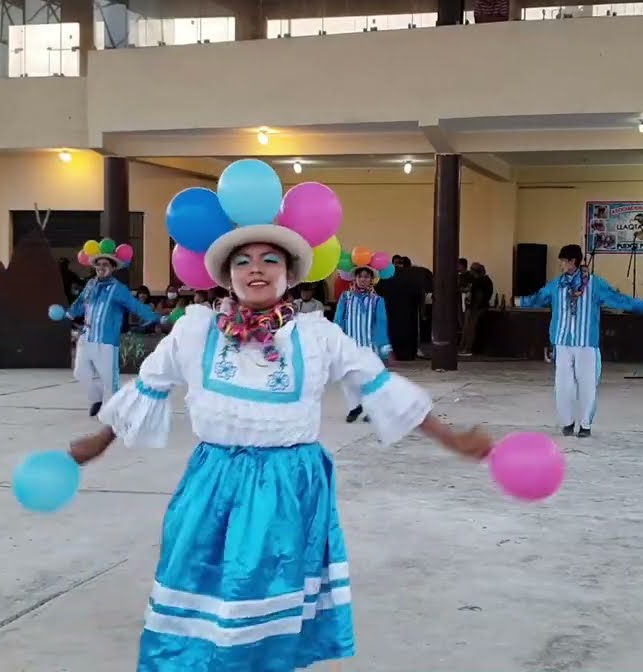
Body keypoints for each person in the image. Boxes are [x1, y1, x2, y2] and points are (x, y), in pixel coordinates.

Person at [66, 204, 492, 672]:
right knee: (197, 588)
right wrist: (100, 440)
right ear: (227, 276)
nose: (256, 269)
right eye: (243, 261)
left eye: (271, 260)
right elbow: (149, 385)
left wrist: (450, 438)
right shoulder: (194, 329)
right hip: (213, 481)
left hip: (289, 484)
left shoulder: (318, 336)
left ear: (289, 274)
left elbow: (378, 385)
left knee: (267, 595)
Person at [515, 244, 643, 438]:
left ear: (572, 262)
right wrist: (521, 302)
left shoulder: (594, 284)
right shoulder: (557, 284)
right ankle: (566, 422)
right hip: (562, 342)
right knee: (563, 385)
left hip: (586, 344)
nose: (561, 265)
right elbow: (540, 298)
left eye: (563, 261)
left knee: (587, 385)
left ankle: (585, 425)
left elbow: (620, 300)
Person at [64, 242, 158, 417]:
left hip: (107, 342)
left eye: (105, 265)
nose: (101, 268)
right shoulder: (91, 284)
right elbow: (81, 302)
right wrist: (69, 314)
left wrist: (153, 317)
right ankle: (97, 398)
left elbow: (135, 305)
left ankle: (117, 410)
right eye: (98, 264)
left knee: (109, 380)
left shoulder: (118, 289)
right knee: (80, 373)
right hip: (86, 338)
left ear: (113, 267)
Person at [334, 260, 392, 424]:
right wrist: (336, 341)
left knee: (369, 379)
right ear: (355, 278)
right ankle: (355, 407)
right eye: (360, 276)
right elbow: (339, 320)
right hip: (349, 345)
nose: (363, 280)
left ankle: (372, 409)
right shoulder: (346, 297)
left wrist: (382, 346)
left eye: (367, 277)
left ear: (371, 279)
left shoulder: (377, 300)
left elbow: (381, 322)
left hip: (369, 347)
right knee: (347, 377)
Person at [379, 256, 422, 362]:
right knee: (408, 332)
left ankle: (392, 353)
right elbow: (418, 294)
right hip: (408, 312)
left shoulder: (384, 277)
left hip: (390, 310)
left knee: (392, 331)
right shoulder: (413, 276)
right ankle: (408, 355)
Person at [459, 262, 494, 356]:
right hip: (477, 307)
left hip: (475, 308)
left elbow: (479, 296)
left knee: (469, 329)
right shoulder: (485, 281)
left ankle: (467, 348)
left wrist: (472, 308)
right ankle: (464, 347)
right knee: (469, 328)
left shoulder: (480, 282)